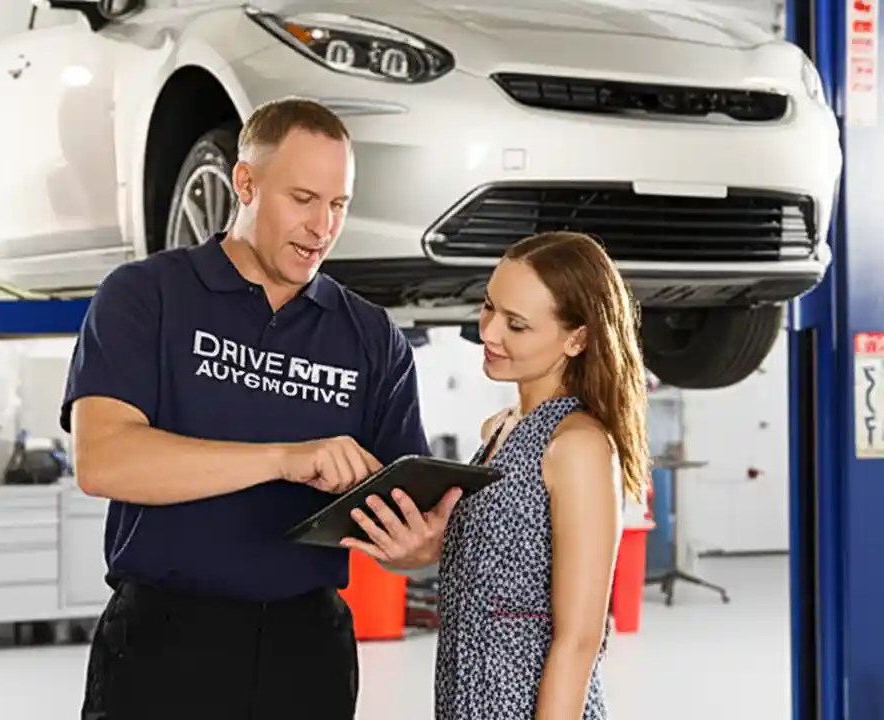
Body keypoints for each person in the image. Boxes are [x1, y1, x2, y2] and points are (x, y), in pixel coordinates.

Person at [59, 97, 459, 720]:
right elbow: (103, 460)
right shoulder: (146, 296)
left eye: (338, 205)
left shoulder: (372, 338)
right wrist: (282, 460)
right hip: (164, 644)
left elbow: (412, 511)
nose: (321, 227)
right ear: (244, 183)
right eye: (302, 199)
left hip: (308, 652)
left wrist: (418, 545)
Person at [342, 231, 649, 719]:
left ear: (577, 337)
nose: (488, 332)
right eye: (489, 307)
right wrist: (420, 551)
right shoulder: (499, 432)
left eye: (517, 325)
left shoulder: (578, 447)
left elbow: (579, 640)